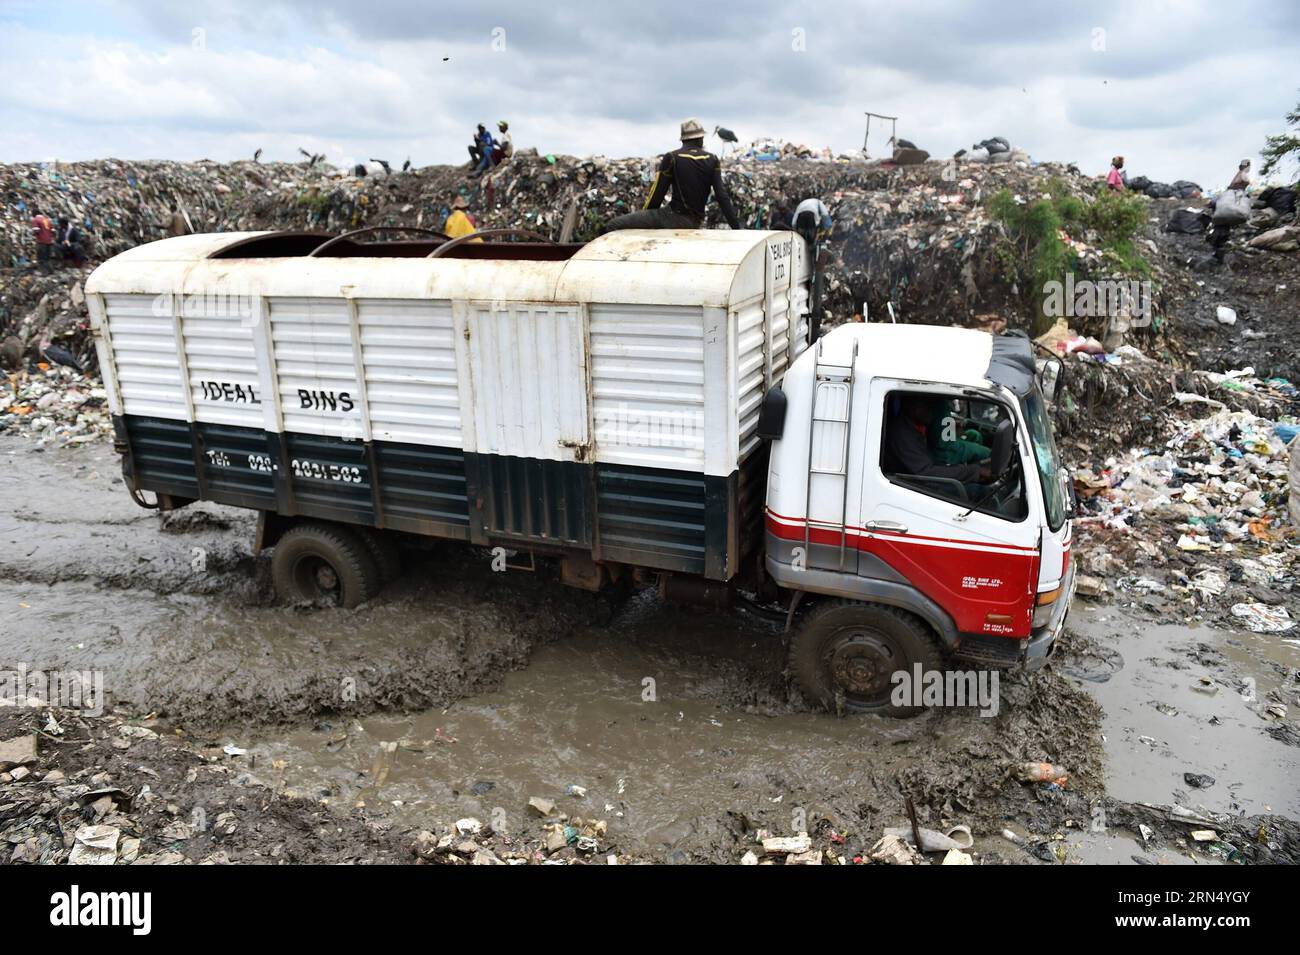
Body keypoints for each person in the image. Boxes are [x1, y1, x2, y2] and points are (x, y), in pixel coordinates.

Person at [604, 118, 741, 231]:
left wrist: (646, 218)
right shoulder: (712, 159)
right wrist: (736, 228)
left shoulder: (672, 157)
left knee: (612, 225)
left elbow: (657, 195)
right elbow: (722, 196)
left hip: (674, 217)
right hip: (696, 221)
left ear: (683, 140)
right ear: (700, 139)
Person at [885, 394, 992, 501]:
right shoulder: (902, 434)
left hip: (922, 476)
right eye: (926, 406)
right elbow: (926, 473)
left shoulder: (916, 426)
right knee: (980, 491)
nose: (931, 411)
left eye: (932, 406)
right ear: (909, 406)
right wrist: (973, 471)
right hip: (912, 486)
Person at [1208, 159, 1252, 261]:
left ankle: (1217, 250)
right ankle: (1218, 251)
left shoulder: (1237, 177)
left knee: (1221, 228)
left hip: (1225, 207)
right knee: (1223, 229)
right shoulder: (1243, 175)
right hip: (1231, 202)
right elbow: (1245, 182)